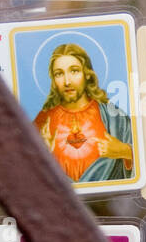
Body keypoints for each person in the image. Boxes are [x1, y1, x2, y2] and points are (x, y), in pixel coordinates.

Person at [32, 43, 133, 183]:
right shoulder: (43, 121)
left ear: (86, 74)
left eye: (74, 71)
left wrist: (125, 151)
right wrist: (42, 155)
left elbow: (145, 160)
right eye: (59, 74)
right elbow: (24, 167)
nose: (67, 81)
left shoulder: (114, 116)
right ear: (54, 80)